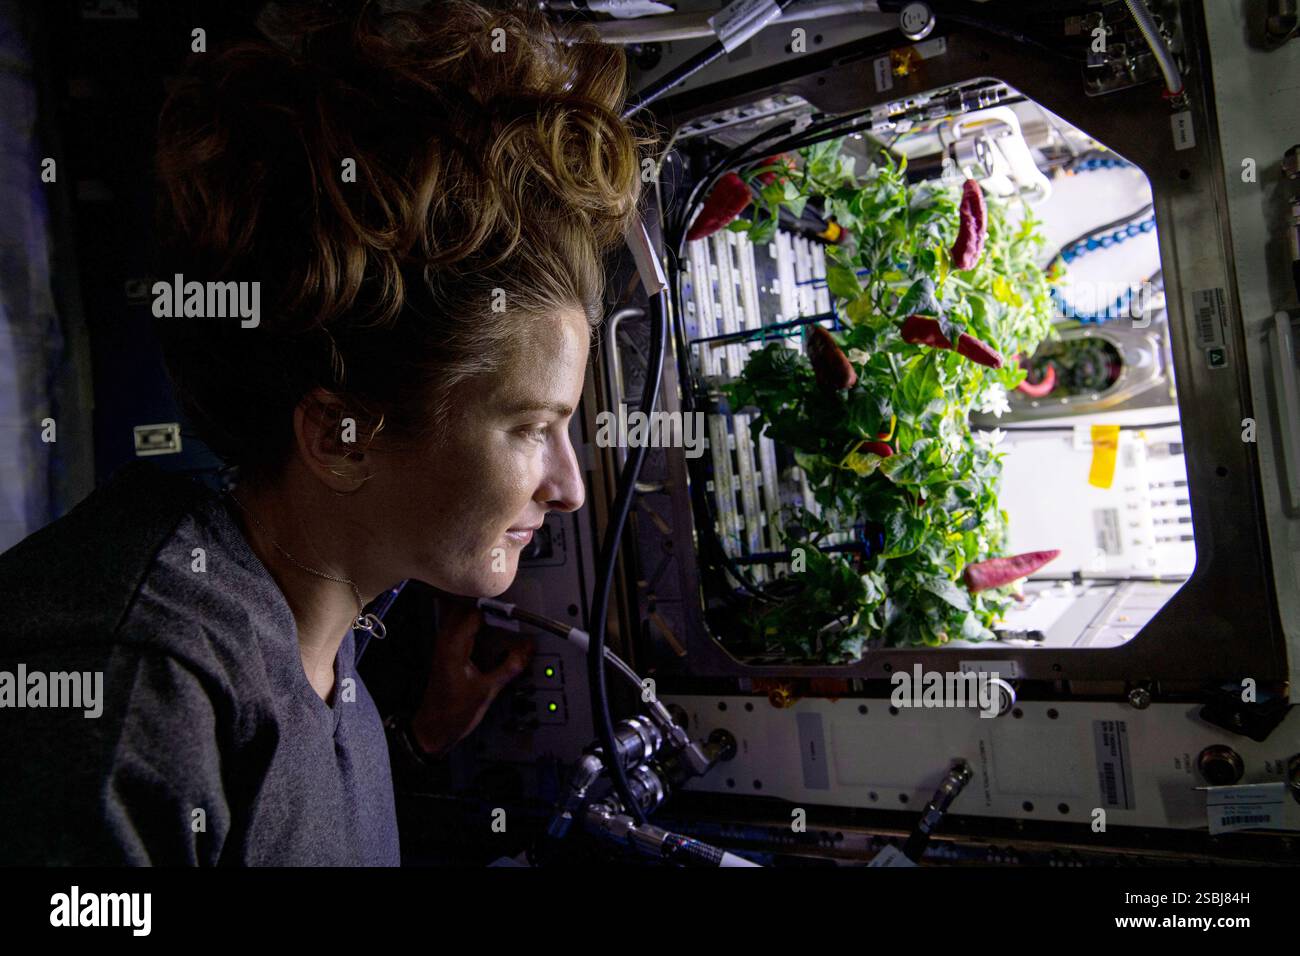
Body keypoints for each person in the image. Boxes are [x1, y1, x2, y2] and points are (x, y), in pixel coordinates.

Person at [0, 0, 652, 865]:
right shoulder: (138, 694)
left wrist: (422, 736)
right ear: (342, 438)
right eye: (533, 427)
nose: (568, 485)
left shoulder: (326, 636)